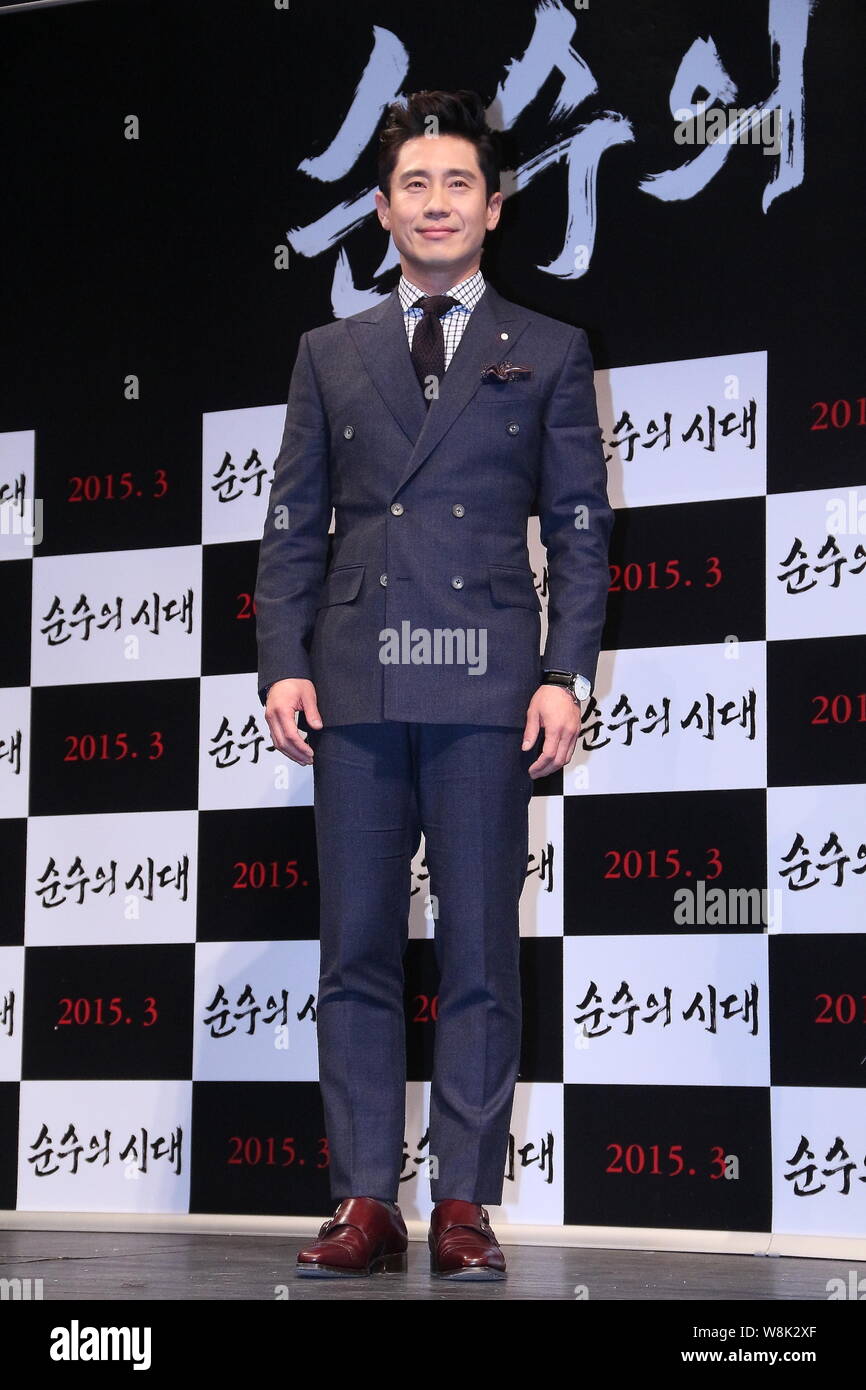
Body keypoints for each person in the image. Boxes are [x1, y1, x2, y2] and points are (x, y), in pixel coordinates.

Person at [254, 89, 614, 1280]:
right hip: (354, 682)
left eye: (458, 183)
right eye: (414, 183)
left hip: (483, 681)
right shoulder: (327, 352)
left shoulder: (550, 349)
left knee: (475, 948)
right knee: (354, 946)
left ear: (493, 207)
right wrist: (279, 665)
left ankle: (463, 1200)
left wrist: (565, 671)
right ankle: (365, 1197)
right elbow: (292, 527)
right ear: (381, 206)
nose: (436, 202)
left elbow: (575, 528)